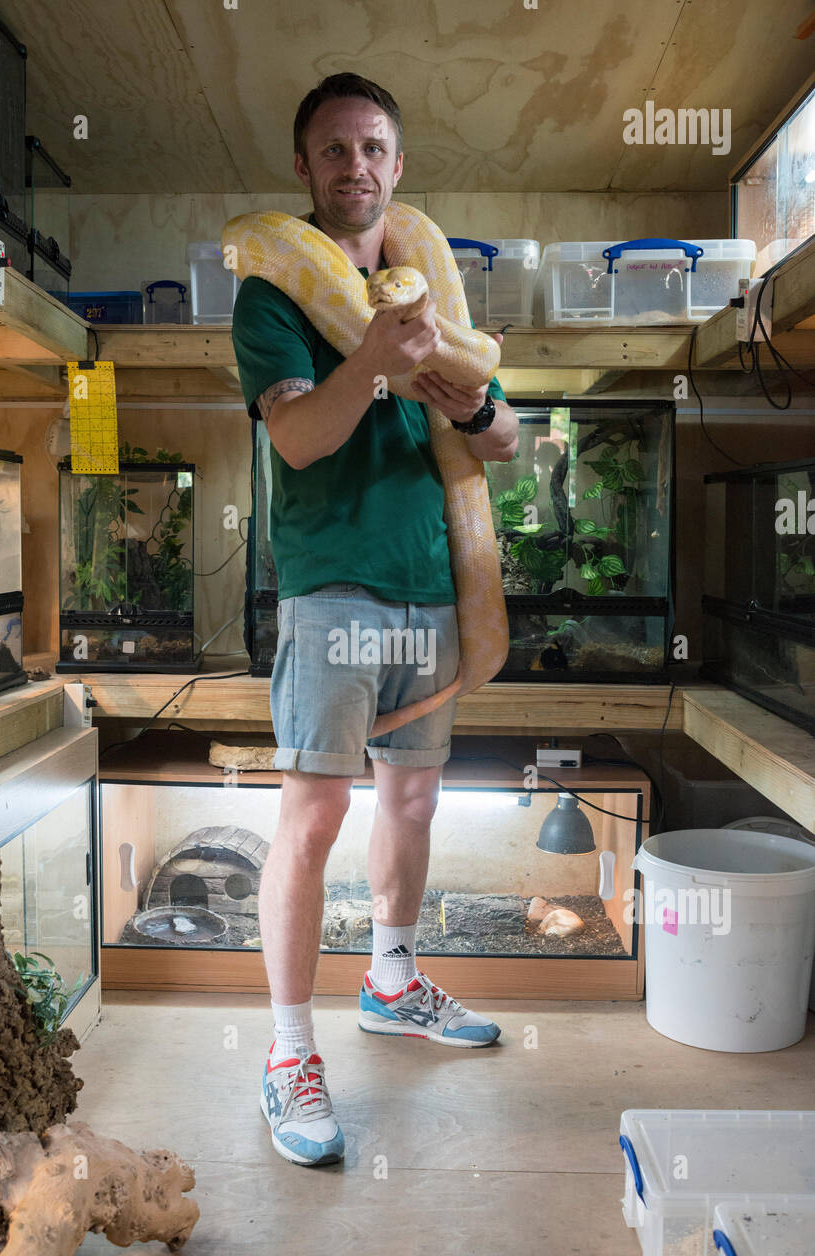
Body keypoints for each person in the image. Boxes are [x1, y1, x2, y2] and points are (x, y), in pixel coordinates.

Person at [231, 72, 520, 1167]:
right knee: (313, 815)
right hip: (333, 582)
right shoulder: (274, 288)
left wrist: (470, 400)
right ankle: (289, 1051)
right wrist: (377, 358)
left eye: (375, 148)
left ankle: (391, 981)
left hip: (429, 579)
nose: (357, 165)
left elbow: (497, 435)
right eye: (335, 149)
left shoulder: (428, 286)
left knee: (413, 794)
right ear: (304, 168)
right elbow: (299, 439)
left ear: (398, 168)